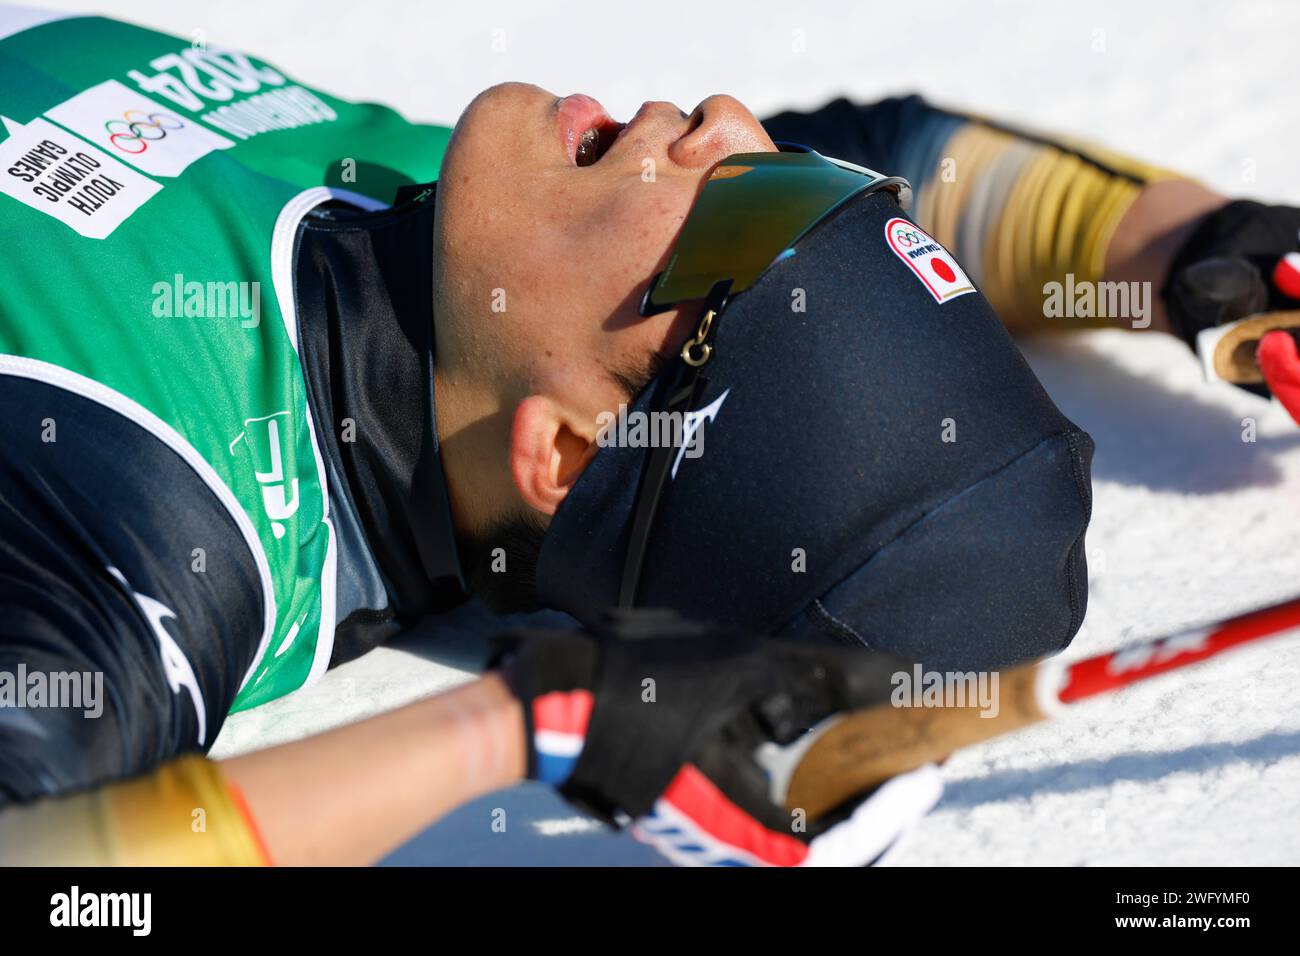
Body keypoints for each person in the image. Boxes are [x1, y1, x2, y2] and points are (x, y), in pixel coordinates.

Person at [0, 9, 1293, 864]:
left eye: (750, 208)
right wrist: (1193, 256)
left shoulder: (135, 512)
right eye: (800, 178)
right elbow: (913, 153)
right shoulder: (494, 241)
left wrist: (520, 731)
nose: (730, 121)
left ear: (559, 455)